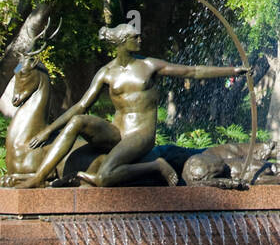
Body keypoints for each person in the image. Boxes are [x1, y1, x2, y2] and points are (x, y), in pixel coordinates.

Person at [20, 22, 249, 188]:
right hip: (116, 132)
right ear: (122, 42)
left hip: (140, 133)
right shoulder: (106, 72)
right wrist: (48, 130)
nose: (140, 40)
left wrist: (232, 71)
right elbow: (81, 106)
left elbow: (193, 71)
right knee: (79, 121)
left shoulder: (149, 65)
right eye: (135, 37)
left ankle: (156, 165)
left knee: (105, 177)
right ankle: (38, 178)